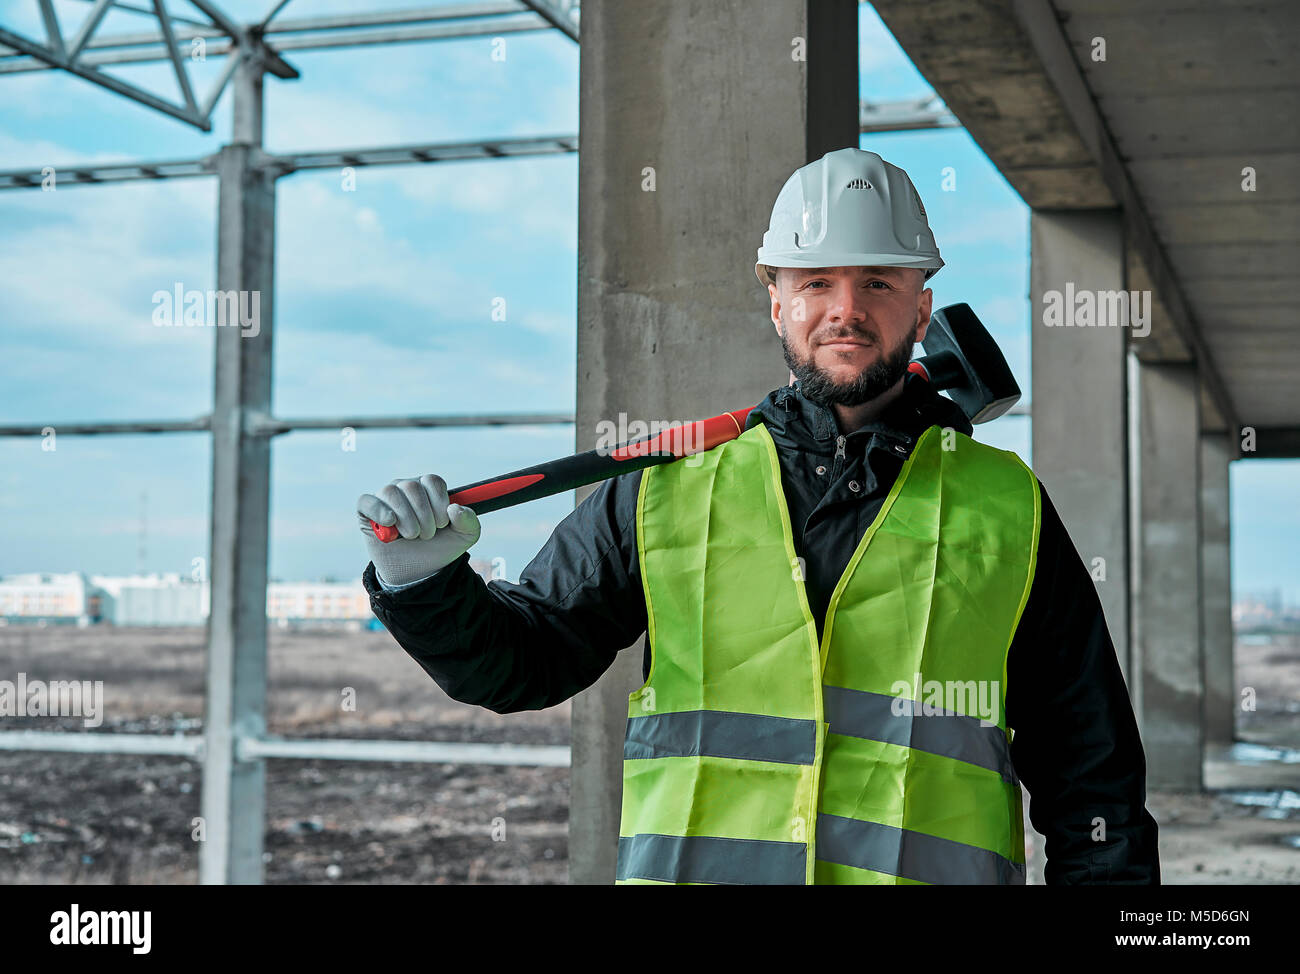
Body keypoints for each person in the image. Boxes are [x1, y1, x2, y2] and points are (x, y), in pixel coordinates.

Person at [356, 147, 1160, 886]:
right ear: (775, 303)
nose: (845, 309)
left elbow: (1092, 780)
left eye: (878, 281)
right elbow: (524, 665)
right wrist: (423, 582)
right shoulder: (664, 489)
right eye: (815, 282)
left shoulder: (1005, 503)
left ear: (921, 312)